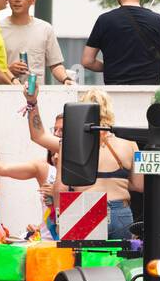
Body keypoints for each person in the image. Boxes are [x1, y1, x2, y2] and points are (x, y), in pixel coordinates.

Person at [24, 86, 143, 240]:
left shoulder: (71, 144)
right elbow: (140, 185)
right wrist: (115, 180)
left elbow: (38, 136)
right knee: (119, 261)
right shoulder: (131, 144)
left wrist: (32, 102)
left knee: (86, 262)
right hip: (119, 211)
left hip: (84, 208)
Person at [81, 0, 160, 85]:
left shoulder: (104, 20)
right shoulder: (157, 20)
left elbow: (87, 61)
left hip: (115, 92)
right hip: (150, 93)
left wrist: (112, 67)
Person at [0, 0, 73, 84]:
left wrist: (65, 79)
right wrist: (9, 70)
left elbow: (55, 64)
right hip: (4, 93)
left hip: (35, 96)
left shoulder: (45, 29)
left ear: (33, 0)